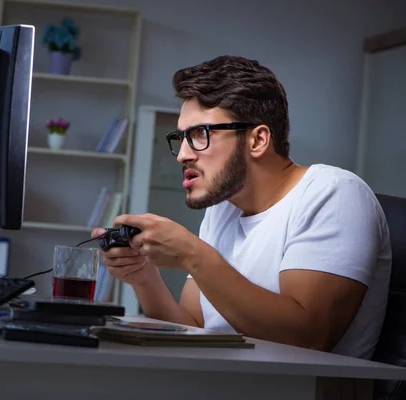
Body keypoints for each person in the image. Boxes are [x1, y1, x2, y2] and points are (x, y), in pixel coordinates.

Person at [92, 55, 392, 360]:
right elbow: (194, 328)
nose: (182, 154)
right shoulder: (223, 209)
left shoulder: (334, 194)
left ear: (258, 140)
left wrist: (193, 254)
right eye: (181, 137)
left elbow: (308, 338)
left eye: (200, 134)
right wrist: (145, 278)